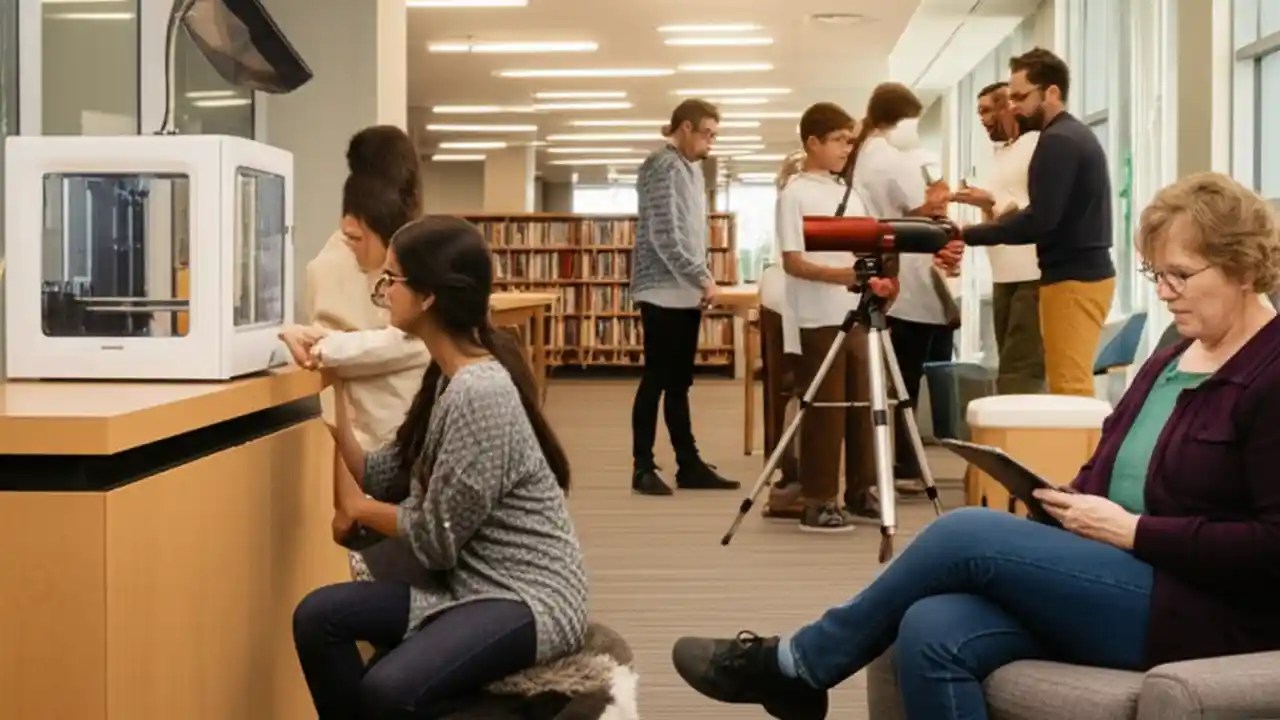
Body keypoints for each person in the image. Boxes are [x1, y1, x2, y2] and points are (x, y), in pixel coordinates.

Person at [670, 172, 1280, 720]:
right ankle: (799, 670)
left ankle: (798, 665)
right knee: (930, 628)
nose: (1165, 291)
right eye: (1157, 274)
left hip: (1207, 611)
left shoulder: (1270, 372)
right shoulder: (1174, 355)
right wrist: (1065, 505)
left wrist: (1135, 533)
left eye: (1180, 275)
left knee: (962, 533)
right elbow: (1109, 467)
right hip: (1123, 572)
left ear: (1245, 268)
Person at [292, 216, 589, 718]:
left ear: (428, 297)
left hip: (527, 597)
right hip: (467, 587)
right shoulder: (446, 375)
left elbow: (434, 536)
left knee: (388, 690)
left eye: (392, 279)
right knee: (318, 618)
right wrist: (334, 386)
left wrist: (361, 510)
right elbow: (383, 474)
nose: (382, 291)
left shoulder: (479, 392)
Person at [960, 47, 1115, 398]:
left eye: (1019, 97)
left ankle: (1081, 455)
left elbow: (1040, 219)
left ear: (1052, 93)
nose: (1012, 106)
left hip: (1074, 278)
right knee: (1065, 384)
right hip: (1073, 274)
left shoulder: (1059, 141)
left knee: (1069, 387)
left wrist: (969, 233)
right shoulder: (1066, 136)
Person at [775, 102, 901, 532]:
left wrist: (879, 279)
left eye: (850, 140)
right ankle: (819, 499)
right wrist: (842, 275)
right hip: (817, 316)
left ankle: (862, 489)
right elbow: (794, 262)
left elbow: (870, 247)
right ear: (813, 142)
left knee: (868, 403)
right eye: (838, 140)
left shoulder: (854, 192)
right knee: (826, 408)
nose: (847, 148)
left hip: (860, 312)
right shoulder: (794, 194)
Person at [847, 82, 955, 486]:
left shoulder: (863, 155)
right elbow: (919, 211)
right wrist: (941, 200)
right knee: (907, 376)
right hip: (907, 278)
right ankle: (907, 463)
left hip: (888, 274)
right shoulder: (890, 158)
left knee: (895, 376)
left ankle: (894, 461)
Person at [630, 98, 738, 495]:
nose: (711, 142)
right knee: (657, 378)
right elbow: (664, 235)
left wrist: (701, 278)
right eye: (707, 133)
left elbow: (694, 235)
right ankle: (642, 466)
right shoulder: (662, 166)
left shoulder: (692, 171)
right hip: (660, 288)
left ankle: (687, 463)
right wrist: (703, 277)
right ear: (685, 128)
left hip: (685, 289)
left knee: (678, 382)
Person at [953, 81, 1045, 394]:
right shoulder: (1001, 155)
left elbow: (1035, 210)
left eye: (987, 110)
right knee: (1008, 361)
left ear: (1008, 106)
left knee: (1022, 365)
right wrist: (983, 205)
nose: (982, 118)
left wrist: (990, 202)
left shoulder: (1036, 145)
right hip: (1003, 272)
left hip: (1031, 271)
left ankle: (1022, 438)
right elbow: (997, 217)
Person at [759, 150, 807, 520]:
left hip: (780, 300)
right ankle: (792, 480)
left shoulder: (787, 197)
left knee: (785, 392)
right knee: (796, 390)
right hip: (794, 303)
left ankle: (786, 476)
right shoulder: (798, 197)